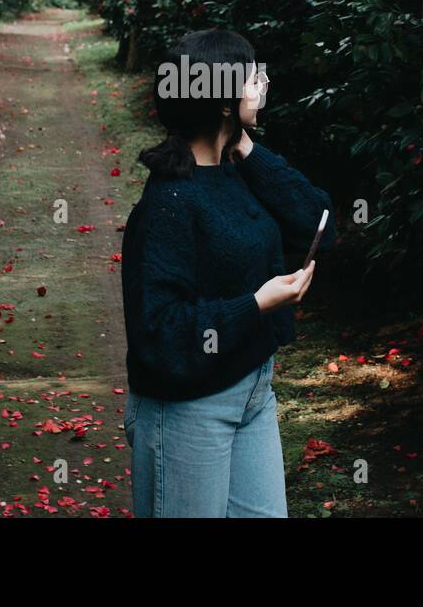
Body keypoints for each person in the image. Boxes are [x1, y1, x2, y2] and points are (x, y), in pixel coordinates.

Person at [120, 28, 336, 517]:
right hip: (188, 409)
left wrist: (248, 149)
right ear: (221, 101)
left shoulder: (238, 168)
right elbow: (159, 336)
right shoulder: (168, 205)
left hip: (253, 391)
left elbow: (318, 222)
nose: (262, 82)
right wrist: (257, 303)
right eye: (252, 75)